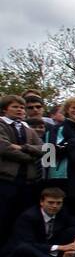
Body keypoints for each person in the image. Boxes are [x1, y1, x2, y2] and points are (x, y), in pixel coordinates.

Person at [2, 187, 75, 257]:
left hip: (48, 251)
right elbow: (28, 243)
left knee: (74, 232)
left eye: (58, 203)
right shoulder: (28, 217)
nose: (55, 206)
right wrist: (61, 248)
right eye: (51, 202)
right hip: (21, 255)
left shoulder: (62, 213)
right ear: (42, 202)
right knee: (24, 248)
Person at [0, 94, 44, 240]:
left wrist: (23, 147)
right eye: (15, 107)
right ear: (5, 109)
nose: (19, 110)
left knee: (22, 218)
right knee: (4, 217)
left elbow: (43, 148)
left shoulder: (27, 128)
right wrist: (31, 156)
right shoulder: (2, 124)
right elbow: (4, 148)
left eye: (21, 107)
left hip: (27, 181)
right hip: (6, 179)